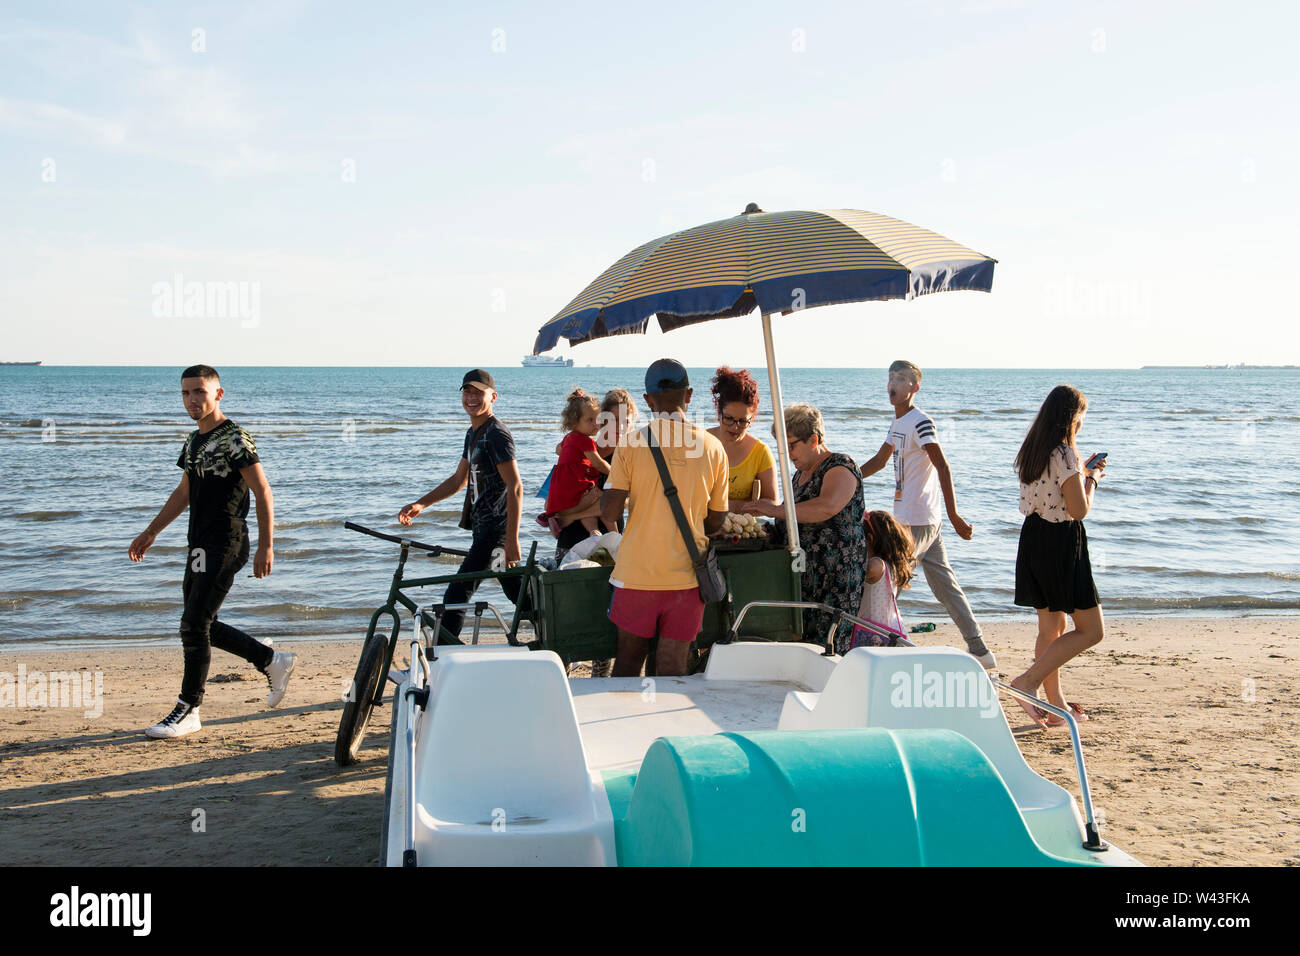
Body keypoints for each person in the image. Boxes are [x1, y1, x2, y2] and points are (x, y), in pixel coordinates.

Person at [128, 365, 295, 739]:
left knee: (193, 625)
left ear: (218, 394)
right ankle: (271, 660)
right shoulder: (193, 442)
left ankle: (189, 708)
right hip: (199, 543)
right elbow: (183, 492)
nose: (192, 400)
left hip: (228, 541)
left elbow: (263, 491)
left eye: (200, 392)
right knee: (199, 623)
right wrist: (150, 531)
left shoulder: (234, 438)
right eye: (186, 393)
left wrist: (267, 546)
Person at [859, 360, 996, 671]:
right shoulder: (897, 424)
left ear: (914, 388)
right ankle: (981, 652)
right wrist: (848, 476)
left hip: (920, 519)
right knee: (945, 586)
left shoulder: (921, 422)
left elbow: (943, 466)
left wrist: (954, 515)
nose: (894, 383)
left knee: (888, 578)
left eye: (903, 379)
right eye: (891, 377)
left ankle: (881, 640)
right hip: (911, 518)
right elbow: (880, 461)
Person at [600, 359, 728, 677]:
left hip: (636, 575)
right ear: (689, 395)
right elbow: (717, 522)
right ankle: (668, 725)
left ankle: (622, 727)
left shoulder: (630, 444)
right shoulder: (713, 448)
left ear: (646, 400)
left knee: (629, 664)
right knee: (673, 666)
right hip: (687, 578)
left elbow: (609, 513)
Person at [1007, 385, 1107, 728]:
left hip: (1033, 537)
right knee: (1092, 631)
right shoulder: (1065, 454)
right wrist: (1091, 477)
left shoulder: (1032, 449)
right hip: (1061, 541)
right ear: (1071, 417)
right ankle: (1027, 681)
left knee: (1051, 627)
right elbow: (1079, 510)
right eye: (1081, 417)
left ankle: (1056, 706)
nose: (1081, 424)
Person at [398, 369, 523, 640]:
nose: (472, 398)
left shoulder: (497, 435)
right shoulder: (474, 433)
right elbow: (458, 480)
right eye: (467, 391)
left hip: (494, 533)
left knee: (457, 592)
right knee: (514, 589)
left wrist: (512, 540)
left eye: (479, 392)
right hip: (486, 532)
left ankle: (443, 652)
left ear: (493, 397)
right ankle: (552, 632)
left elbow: (515, 487)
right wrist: (421, 504)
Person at [739, 403, 865, 655]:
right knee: (800, 649)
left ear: (814, 439)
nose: (787, 453)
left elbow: (825, 507)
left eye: (792, 445)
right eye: (782, 446)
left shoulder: (840, 466)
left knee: (827, 651)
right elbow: (792, 521)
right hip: (803, 579)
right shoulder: (798, 476)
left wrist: (773, 509)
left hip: (834, 581)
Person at [705, 366, 777, 510]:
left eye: (742, 421)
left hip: (742, 530)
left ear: (752, 419)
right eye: (729, 419)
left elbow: (772, 502)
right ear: (719, 413)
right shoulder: (699, 444)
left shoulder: (760, 452)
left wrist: (727, 506)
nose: (734, 427)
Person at [544, 389, 611, 536]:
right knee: (608, 502)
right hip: (575, 485)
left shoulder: (570, 437)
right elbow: (598, 463)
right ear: (575, 422)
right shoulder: (585, 441)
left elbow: (558, 450)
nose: (596, 424)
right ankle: (616, 535)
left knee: (588, 512)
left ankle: (594, 533)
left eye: (598, 420)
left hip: (561, 486)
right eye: (590, 420)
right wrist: (616, 472)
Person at [851, 510, 916, 647]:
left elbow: (856, 573)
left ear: (870, 539)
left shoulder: (876, 565)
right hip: (888, 628)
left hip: (876, 633)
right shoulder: (889, 565)